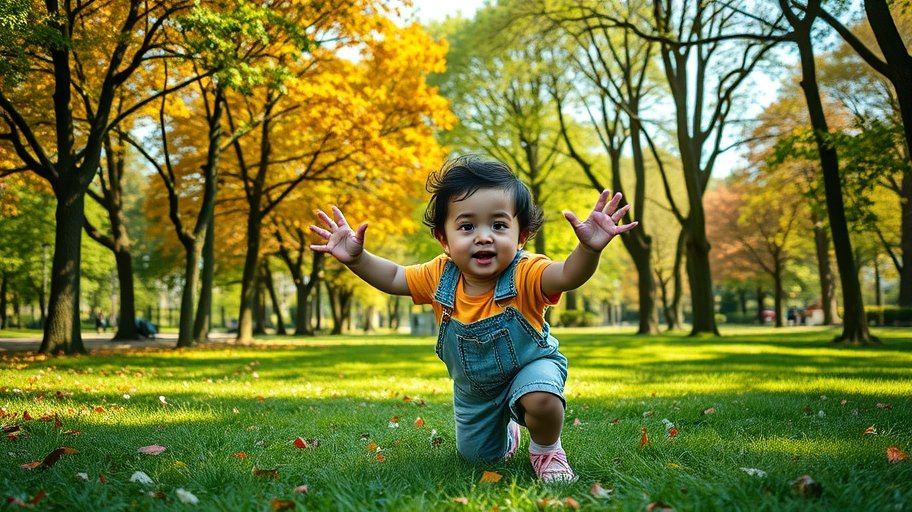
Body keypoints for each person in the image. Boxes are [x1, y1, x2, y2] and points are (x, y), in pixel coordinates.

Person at [310, 155, 637, 482]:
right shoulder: (438, 275)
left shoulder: (526, 272)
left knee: (541, 398)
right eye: (467, 226)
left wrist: (589, 250)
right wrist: (357, 259)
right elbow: (395, 277)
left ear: (521, 236)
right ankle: (509, 434)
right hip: (475, 390)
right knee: (478, 458)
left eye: (498, 225)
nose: (484, 236)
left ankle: (547, 451)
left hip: (532, 364)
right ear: (444, 240)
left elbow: (566, 275)